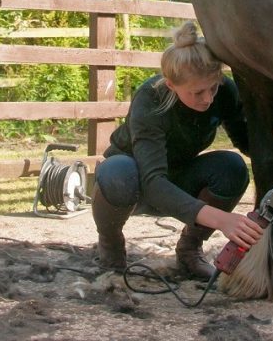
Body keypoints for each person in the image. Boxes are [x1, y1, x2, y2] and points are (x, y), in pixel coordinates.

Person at [91, 21, 264, 279]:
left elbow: (247, 142)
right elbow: (153, 181)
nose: (208, 98)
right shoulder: (151, 98)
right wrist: (222, 220)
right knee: (116, 171)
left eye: (213, 87)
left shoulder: (224, 92)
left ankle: (189, 250)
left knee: (233, 168)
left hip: (180, 176)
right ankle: (111, 245)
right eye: (197, 92)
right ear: (171, 85)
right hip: (136, 181)